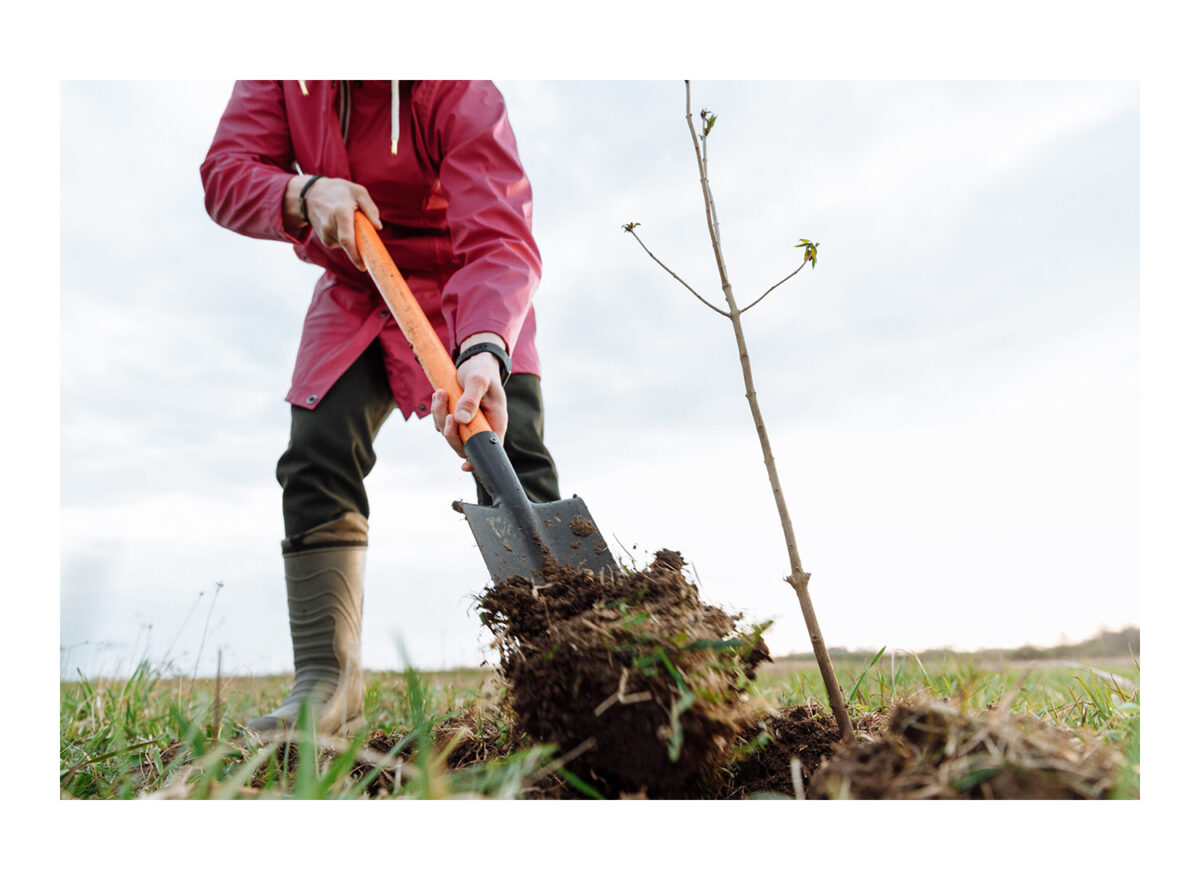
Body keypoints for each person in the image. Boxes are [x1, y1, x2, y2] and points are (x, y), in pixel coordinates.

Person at [200, 80, 560, 737]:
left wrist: (484, 350)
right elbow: (225, 175)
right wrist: (301, 193)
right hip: (359, 284)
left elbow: (499, 240)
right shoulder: (284, 73)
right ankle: (327, 688)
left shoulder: (458, 90)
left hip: (467, 286)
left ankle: (560, 673)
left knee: (512, 457)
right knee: (318, 448)